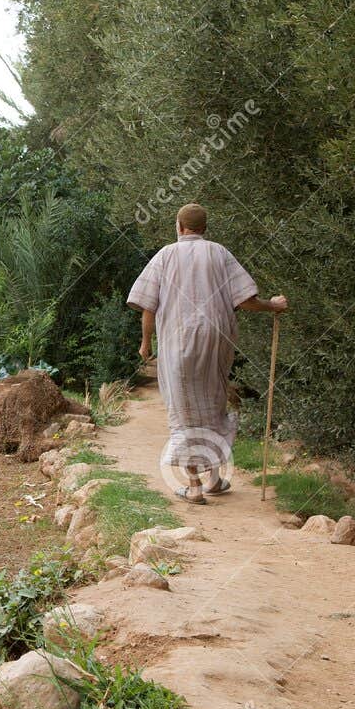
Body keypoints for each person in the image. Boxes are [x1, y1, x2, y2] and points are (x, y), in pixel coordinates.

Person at [127, 203, 287, 504]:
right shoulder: (219, 253)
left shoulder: (165, 255)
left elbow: (148, 306)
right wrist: (273, 305)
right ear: (205, 228)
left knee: (185, 410)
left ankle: (195, 486)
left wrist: (145, 343)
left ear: (179, 226)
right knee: (213, 405)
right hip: (216, 342)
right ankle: (213, 479)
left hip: (178, 343)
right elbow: (246, 300)